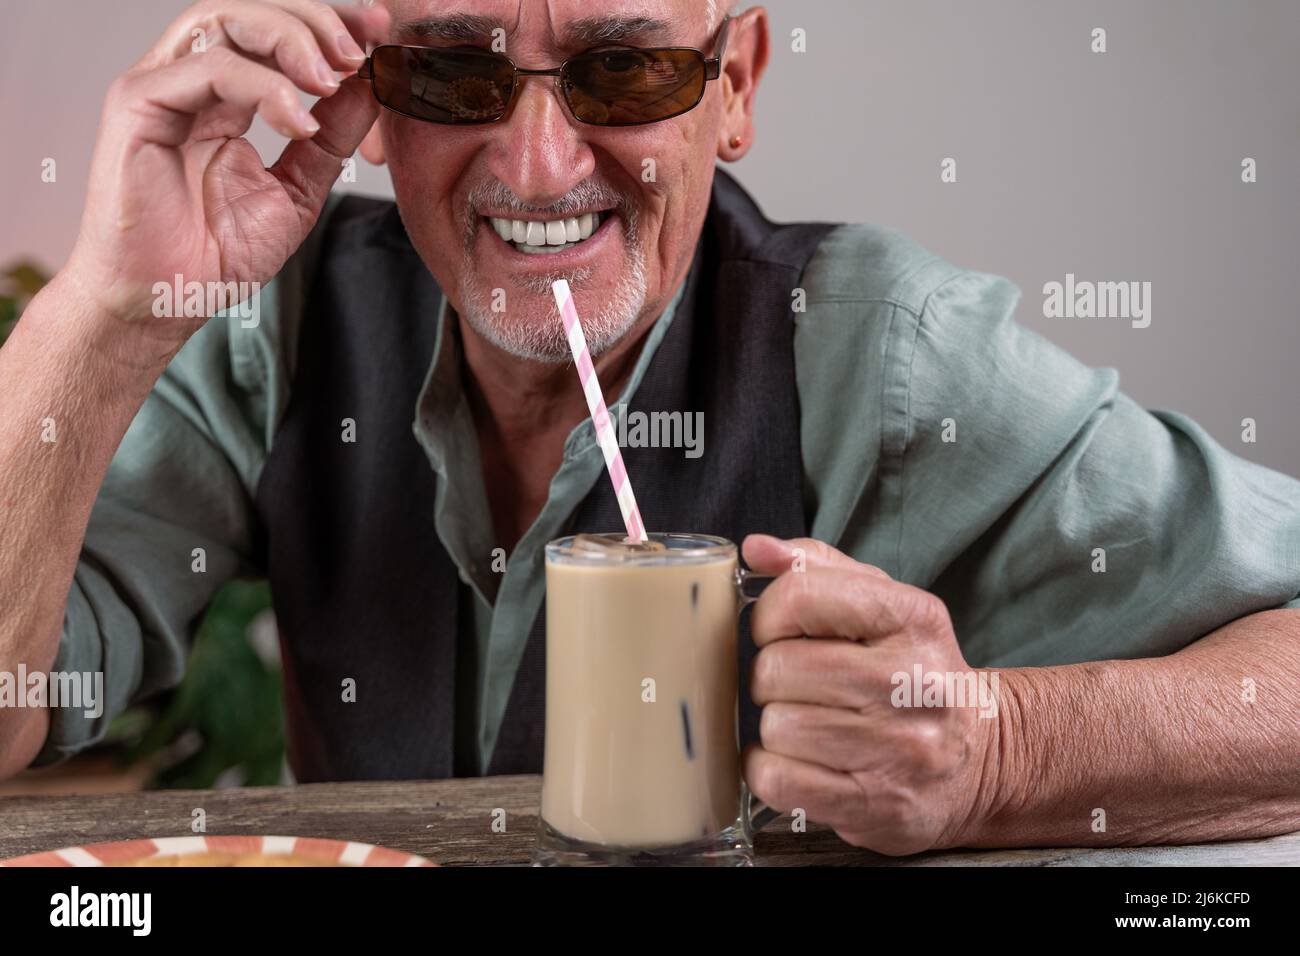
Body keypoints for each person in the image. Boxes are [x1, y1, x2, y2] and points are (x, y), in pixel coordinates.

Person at [1, 0, 1297, 856]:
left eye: (624, 69)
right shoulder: (263, 331)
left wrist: (999, 750)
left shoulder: (886, 357)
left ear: (734, 85)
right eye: (456, 72)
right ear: (377, 106)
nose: (540, 166)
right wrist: (105, 317)